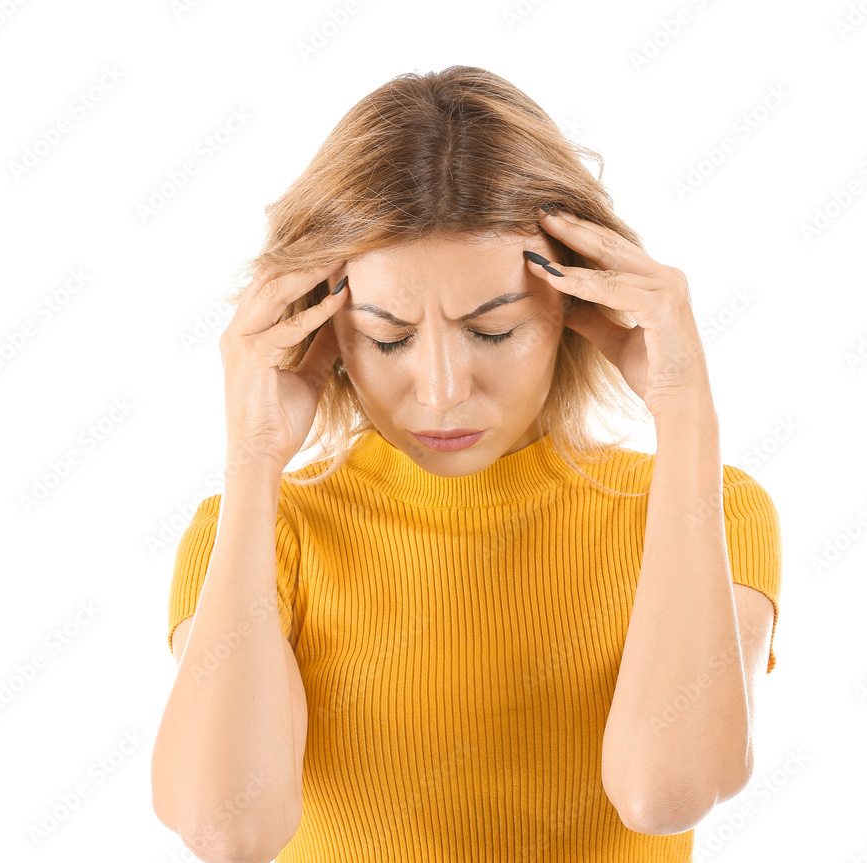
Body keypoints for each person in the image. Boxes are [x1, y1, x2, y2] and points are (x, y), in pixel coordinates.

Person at [151, 65, 782, 863]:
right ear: (323, 331)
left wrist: (687, 415)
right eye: (388, 336)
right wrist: (253, 461)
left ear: (572, 305)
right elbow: (225, 830)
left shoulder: (711, 511)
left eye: (492, 329)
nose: (443, 391)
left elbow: (665, 791)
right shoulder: (256, 538)